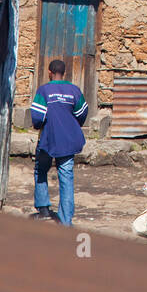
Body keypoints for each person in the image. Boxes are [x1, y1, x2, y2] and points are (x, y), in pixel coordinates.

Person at [30, 58, 88, 226]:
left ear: (49, 73)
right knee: (66, 179)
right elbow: (82, 113)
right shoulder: (74, 91)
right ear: (64, 73)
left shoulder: (44, 91)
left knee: (41, 170)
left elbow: (37, 117)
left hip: (48, 140)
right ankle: (66, 220)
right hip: (68, 142)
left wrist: (39, 126)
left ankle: (43, 209)